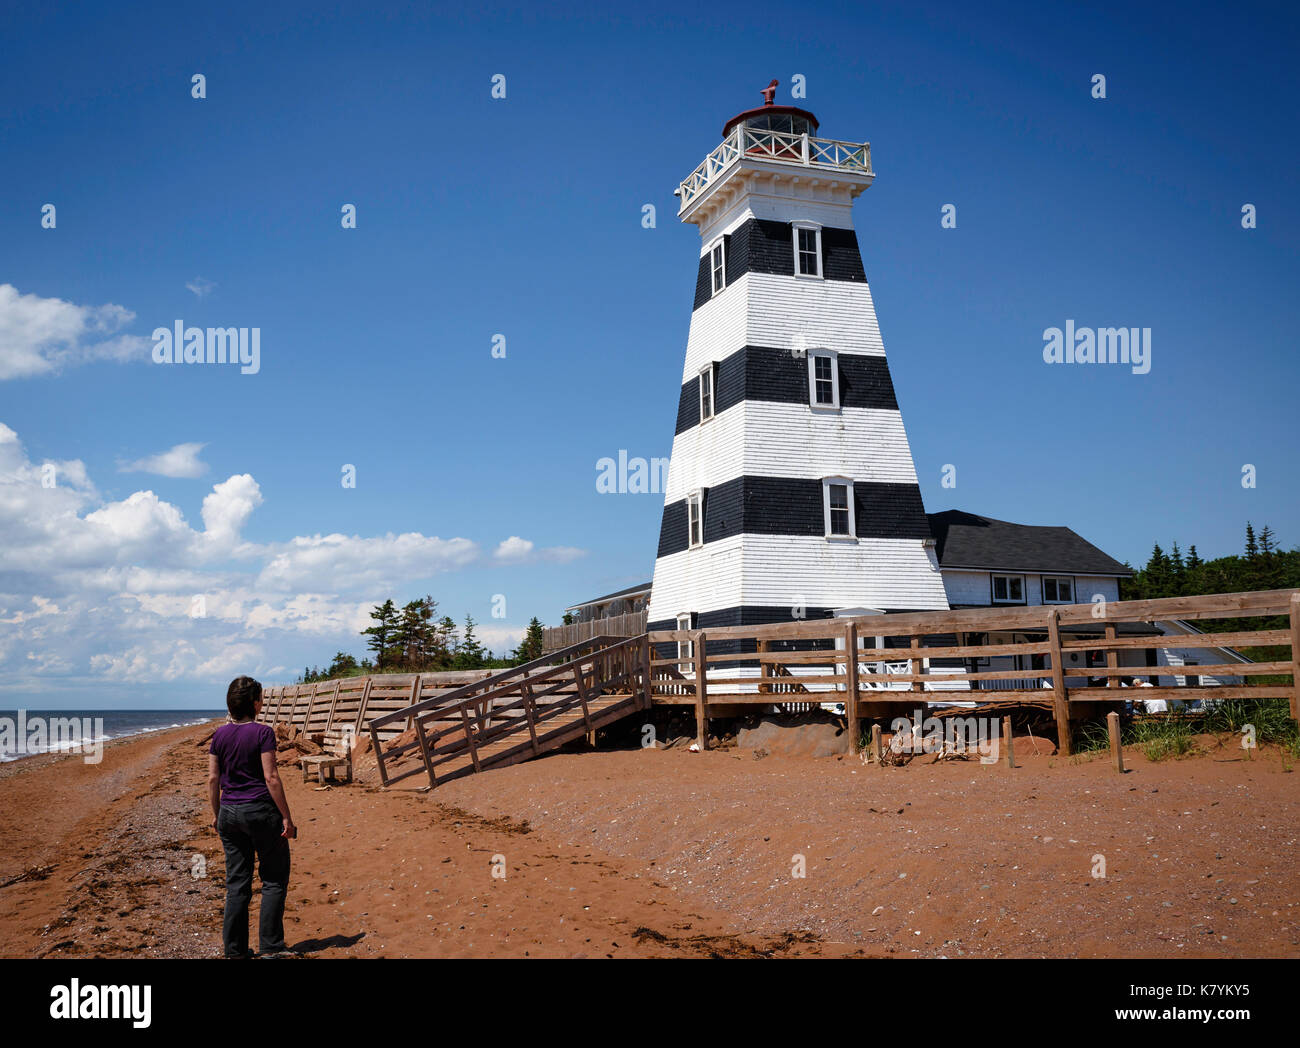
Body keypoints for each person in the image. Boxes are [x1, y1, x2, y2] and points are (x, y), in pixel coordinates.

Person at [208, 676, 297, 958]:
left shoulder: (219, 735)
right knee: (273, 878)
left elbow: (213, 779)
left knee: (237, 883)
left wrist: (217, 814)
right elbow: (271, 777)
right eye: (260, 699)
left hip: (229, 813)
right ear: (255, 703)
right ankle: (271, 947)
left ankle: (234, 951)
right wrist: (287, 817)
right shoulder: (262, 733)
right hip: (260, 811)